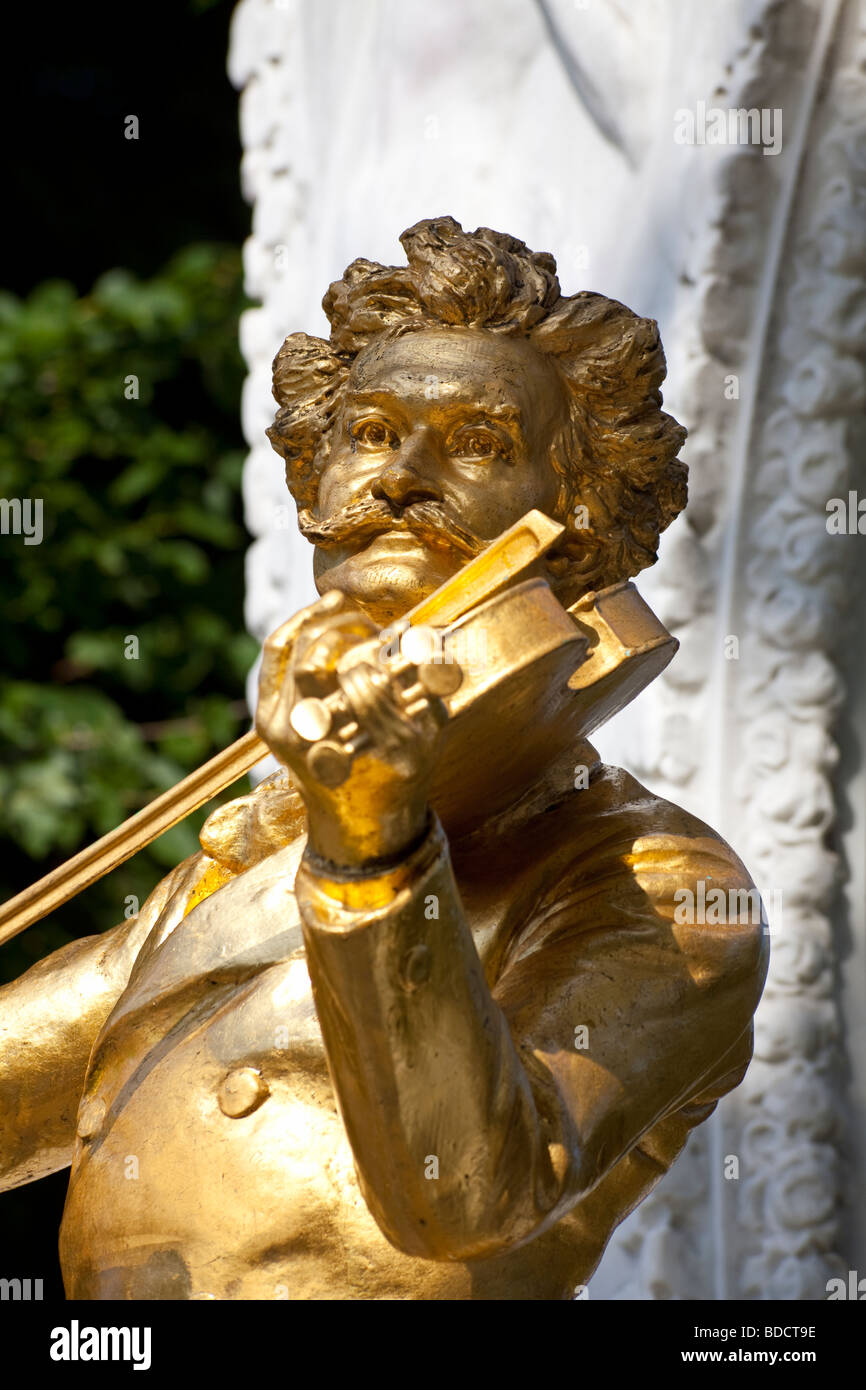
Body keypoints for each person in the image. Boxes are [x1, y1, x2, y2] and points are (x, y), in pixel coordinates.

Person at [0, 218, 767, 1300]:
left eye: (477, 443)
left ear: (579, 515)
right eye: (367, 433)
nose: (400, 478)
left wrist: (376, 849)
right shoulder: (239, 869)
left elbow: (470, 1197)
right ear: (314, 491)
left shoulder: (657, 886)